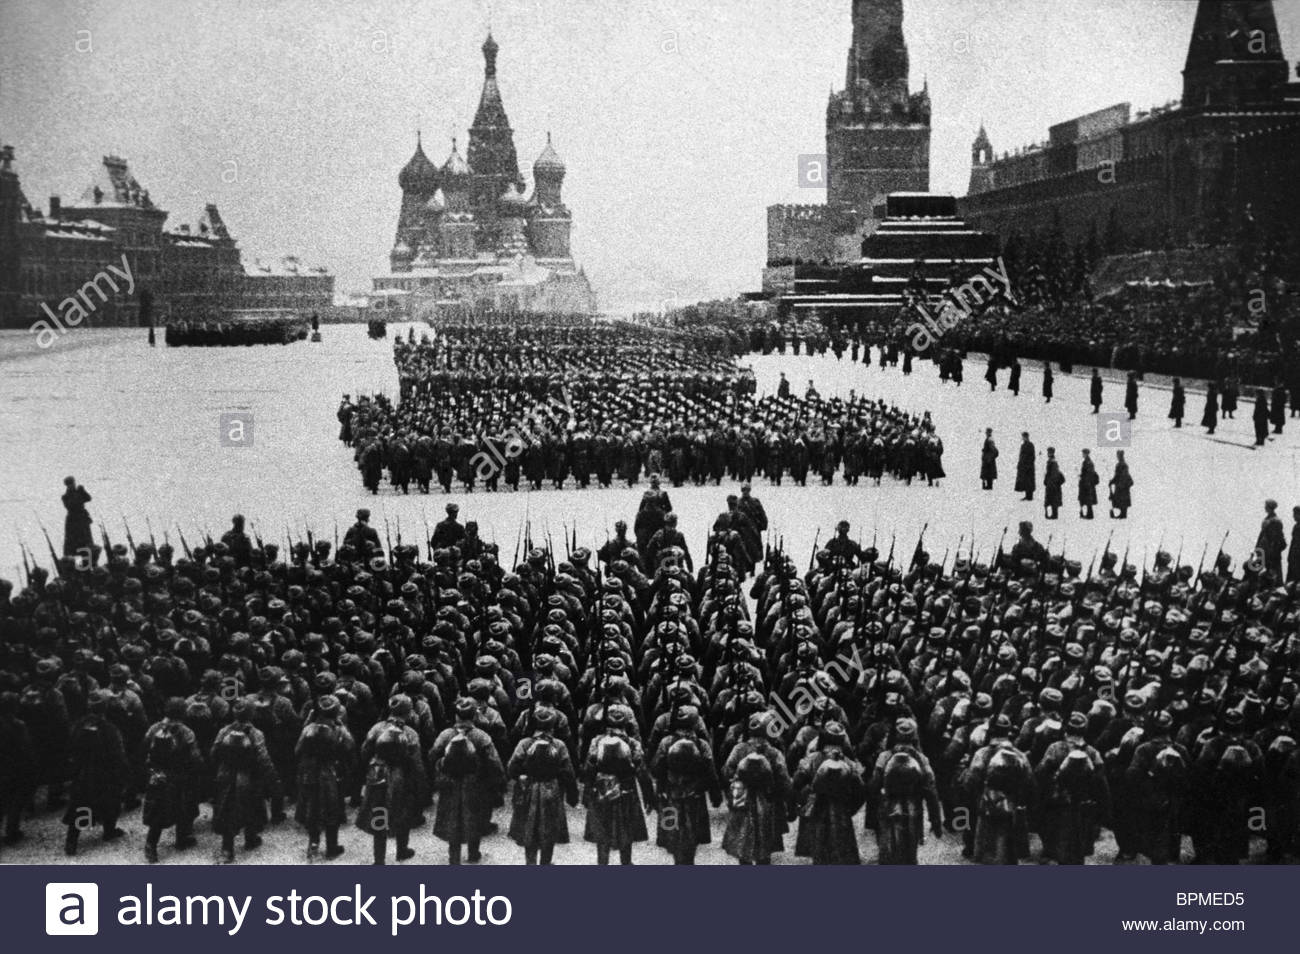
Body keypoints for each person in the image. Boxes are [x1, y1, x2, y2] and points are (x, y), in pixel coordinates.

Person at [358, 697, 426, 865]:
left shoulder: (377, 728)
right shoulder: (410, 733)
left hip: (377, 774)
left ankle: (379, 859)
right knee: (403, 813)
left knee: (379, 814)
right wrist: (421, 785)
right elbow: (416, 762)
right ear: (409, 712)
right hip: (401, 776)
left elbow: (364, 750)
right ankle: (402, 850)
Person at [507, 705, 578, 865]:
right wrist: (573, 795)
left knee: (529, 828)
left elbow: (512, 768)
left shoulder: (524, 744)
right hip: (551, 789)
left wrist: (519, 776)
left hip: (528, 789)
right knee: (549, 829)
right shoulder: (559, 745)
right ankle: (545, 863)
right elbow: (568, 772)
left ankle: (530, 863)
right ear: (553, 725)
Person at [211, 699, 278, 863]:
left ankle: (227, 848)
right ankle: (251, 837)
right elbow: (263, 759)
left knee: (227, 808)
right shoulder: (256, 733)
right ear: (251, 714)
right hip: (250, 775)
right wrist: (272, 779)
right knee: (253, 805)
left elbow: (214, 752)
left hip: (226, 774)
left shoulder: (224, 731)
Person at [63, 690, 128, 856]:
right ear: (105, 708)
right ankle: (109, 831)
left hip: (83, 773)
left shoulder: (78, 725)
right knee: (111, 800)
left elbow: (70, 745)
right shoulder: (110, 728)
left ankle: (72, 840)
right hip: (106, 773)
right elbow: (118, 753)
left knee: (80, 804)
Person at [141, 698, 202, 863]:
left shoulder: (154, 728)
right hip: (180, 775)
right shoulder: (186, 732)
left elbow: (145, 747)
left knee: (158, 812)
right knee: (184, 807)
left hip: (158, 775)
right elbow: (195, 757)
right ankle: (182, 839)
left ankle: (151, 845)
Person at [294, 694, 354, 861]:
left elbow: (297, 750)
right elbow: (349, 746)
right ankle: (331, 847)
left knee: (312, 808)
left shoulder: (308, 729)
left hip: (309, 772)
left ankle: (313, 844)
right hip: (329, 772)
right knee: (331, 809)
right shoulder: (339, 729)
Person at [61, 476, 94, 559]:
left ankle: (90, 562)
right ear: (67, 485)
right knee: (74, 544)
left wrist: (83, 491)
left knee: (87, 541)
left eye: (73, 483)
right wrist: (78, 493)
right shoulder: (65, 496)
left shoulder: (79, 492)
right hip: (73, 521)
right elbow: (71, 506)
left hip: (82, 519)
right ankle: (78, 563)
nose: (72, 485)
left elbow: (88, 498)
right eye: (70, 484)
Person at [1255, 499, 1286, 582]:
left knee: (1272, 573)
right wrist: (1257, 547)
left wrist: (1273, 551)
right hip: (1263, 548)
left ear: (1269, 507)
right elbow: (1262, 534)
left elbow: (1277, 538)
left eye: (1266, 505)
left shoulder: (1276, 521)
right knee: (1257, 570)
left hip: (1270, 551)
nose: (1264, 507)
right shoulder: (1267, 519)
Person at [1108, 451, 1133, 519]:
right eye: (1118, 455)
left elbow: (1119, 476)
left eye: (1118, 455)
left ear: (1120, 456)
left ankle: (1123, 515)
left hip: (1121, 485)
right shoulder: (1123, 464)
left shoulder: (1121, 465)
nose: (1117, 457)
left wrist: (1113, 482)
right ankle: (1122, 514)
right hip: (1123, 485)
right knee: (1122, 500)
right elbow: (1118, 475)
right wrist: (1113, 481)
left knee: (1121, 499)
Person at [1042, 448, 1064, 520]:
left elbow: (1051, 474)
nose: (1048, 453)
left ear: (1051, 453)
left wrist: (1047, 482)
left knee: (1053, 500)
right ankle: (1053, 515)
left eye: (1049, 452)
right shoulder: (1052, 461)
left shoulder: (1052, 462)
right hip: (1053, 484)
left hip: (1052, 484)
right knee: (1053, 500)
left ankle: (1054, 515)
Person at [1014, 432, 1036, 502]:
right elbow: (1021, 456)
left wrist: (1028, 465)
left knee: (1029, 481)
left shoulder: (1030, 445)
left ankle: (1030, 497)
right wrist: (1019, 464)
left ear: (1026, 437)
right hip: (1023, 466)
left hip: (1028, 467)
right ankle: (1027, 496)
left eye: (1023, 437)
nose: (1023, 438)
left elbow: (1032, 457)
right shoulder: (1023, 445)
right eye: (1022, 437)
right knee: (1025, 482)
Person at [1078, 449, 1099, 520]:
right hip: (1089, 483)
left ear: (1086, 454)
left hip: (1086, 484)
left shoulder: (1086, 462)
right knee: (1088, 500)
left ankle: (1089, 515)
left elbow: (1087, 474)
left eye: (1083, 453)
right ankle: (1089, 514)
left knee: (1086, 499)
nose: (1082, 454)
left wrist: (1082, 478)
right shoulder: (1090, 462)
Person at [1288, 506, 1300, 584]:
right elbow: (1293, 542)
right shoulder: (1296, 526)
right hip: (1294, 555)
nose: (1293, 516)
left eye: (1295, 514)